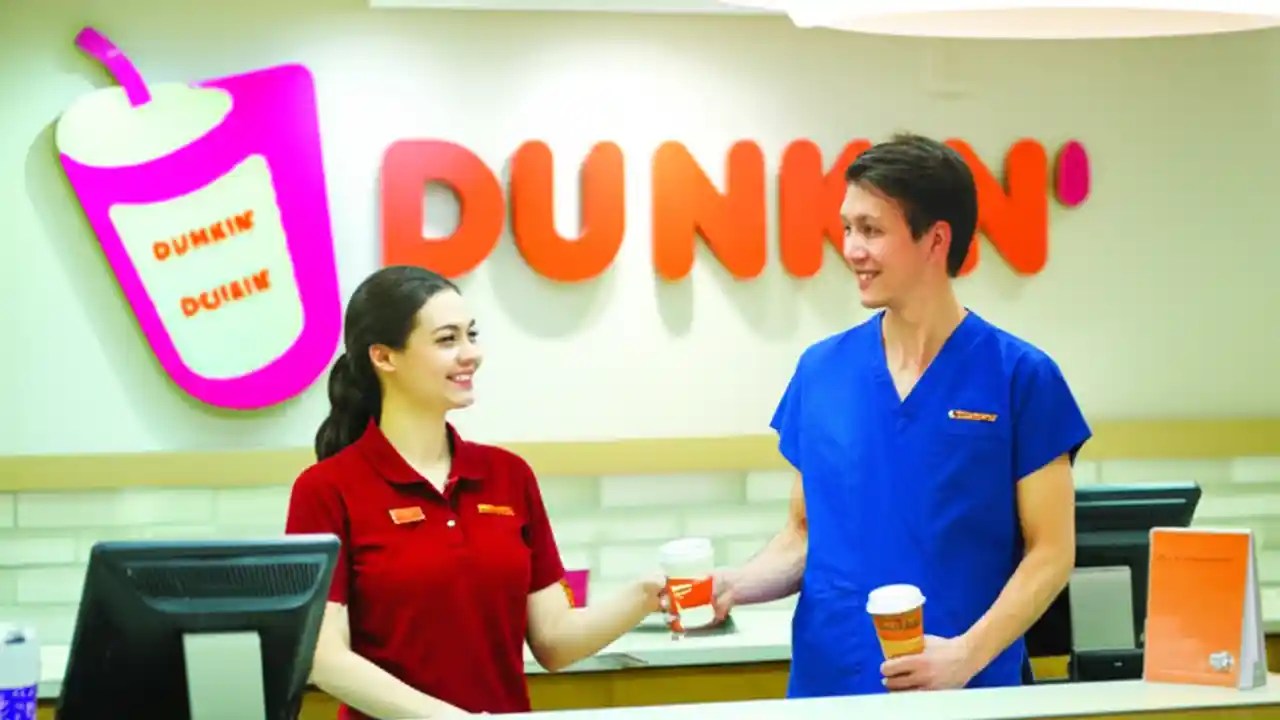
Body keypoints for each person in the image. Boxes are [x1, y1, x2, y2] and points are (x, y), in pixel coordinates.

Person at [709, 133, 1089, 697]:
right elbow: (805, 533)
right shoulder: (821, 372)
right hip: (830, 689)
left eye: (871, 230)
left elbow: (1052, 552)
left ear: (936, 239)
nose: (851, 249)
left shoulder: (1020, 377)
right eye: (847, 228)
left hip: (965, 693)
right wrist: (733, 585)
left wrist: (966, 655)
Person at [285, 266, 665, 719]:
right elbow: (325, 658)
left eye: (471, 335)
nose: (472, 354)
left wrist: (645, 596)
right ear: (384, 357)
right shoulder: (327, 490)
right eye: (447, 340)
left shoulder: (509, 475)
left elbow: (554, 641)